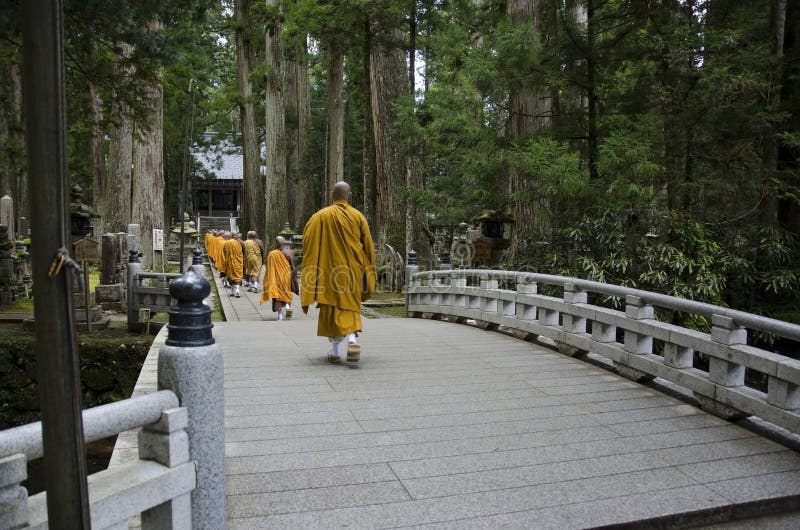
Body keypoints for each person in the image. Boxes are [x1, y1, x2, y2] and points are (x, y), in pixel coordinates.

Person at [301, 181, 376, 363]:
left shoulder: (319, 217)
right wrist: (369, 271)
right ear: (349, 196)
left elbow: (308, 243)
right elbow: (368, 248)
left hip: (328, 274)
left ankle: (335, 351)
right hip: (352, 272)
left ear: (332, 196)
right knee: (350, 307)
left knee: (331, 310)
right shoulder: (358, 217)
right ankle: (351, 340)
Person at [261, 236, 298, 320]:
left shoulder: (272, 253)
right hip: (286, 277)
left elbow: (267, 265)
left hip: (275, 278)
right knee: (286, 292)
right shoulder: (289, 253)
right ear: (284, 243)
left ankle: (280, 316)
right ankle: (288, 307)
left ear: (276, 243)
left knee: (277, 296)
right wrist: (293, 278)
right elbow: (293, 267)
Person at [222, 231, 244, 297]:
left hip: (229, 263)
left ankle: (232, 291)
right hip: (238, 262)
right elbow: (241, 252)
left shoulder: (227, 243)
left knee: (231, 276)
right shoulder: (238, 243)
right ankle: (237, 290)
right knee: (237, 276)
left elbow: (224, 252)